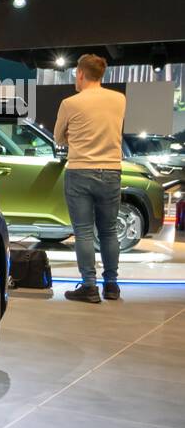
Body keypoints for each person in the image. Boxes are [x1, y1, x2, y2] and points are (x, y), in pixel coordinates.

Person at [56, 54, 126, 303]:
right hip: (111, 170)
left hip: (79, 171)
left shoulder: (69, 103)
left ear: (81, 74)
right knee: (108, 231)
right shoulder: (119, 99)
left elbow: (58, 137)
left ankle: (89, 286)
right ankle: (112, 285)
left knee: (84, 232)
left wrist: (72, 138)